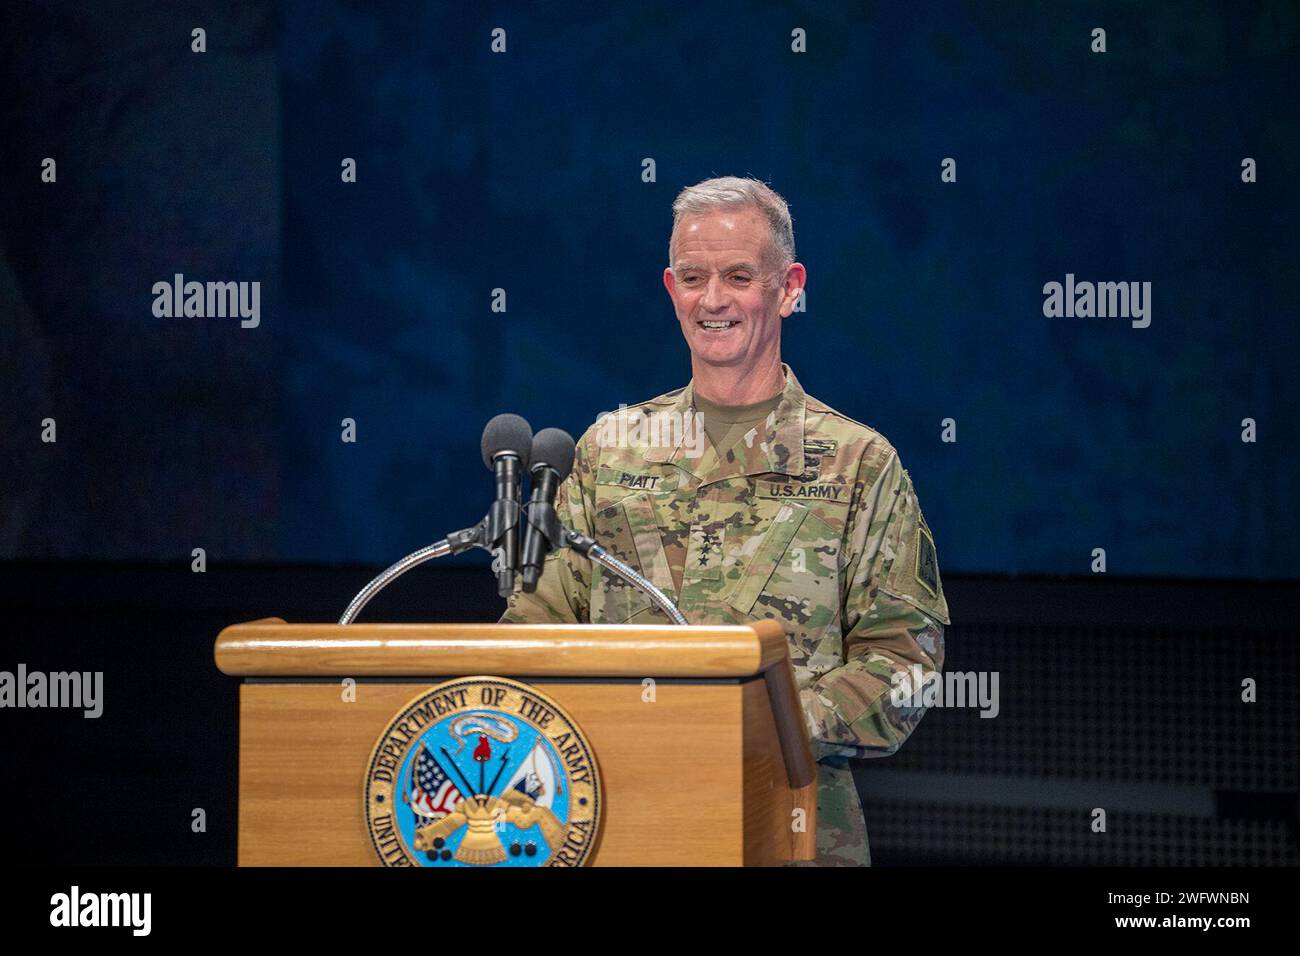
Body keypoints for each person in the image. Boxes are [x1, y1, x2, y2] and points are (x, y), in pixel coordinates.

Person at [500, 176, 949, 865]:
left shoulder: (859, 465)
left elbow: (907, 665)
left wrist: (761, 722)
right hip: (613, 826)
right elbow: (534, 631)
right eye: (693, 277)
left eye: (739, 276)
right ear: (670, 288)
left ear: (790, 287)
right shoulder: (609, 449)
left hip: (785, 831)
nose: (713, 299)